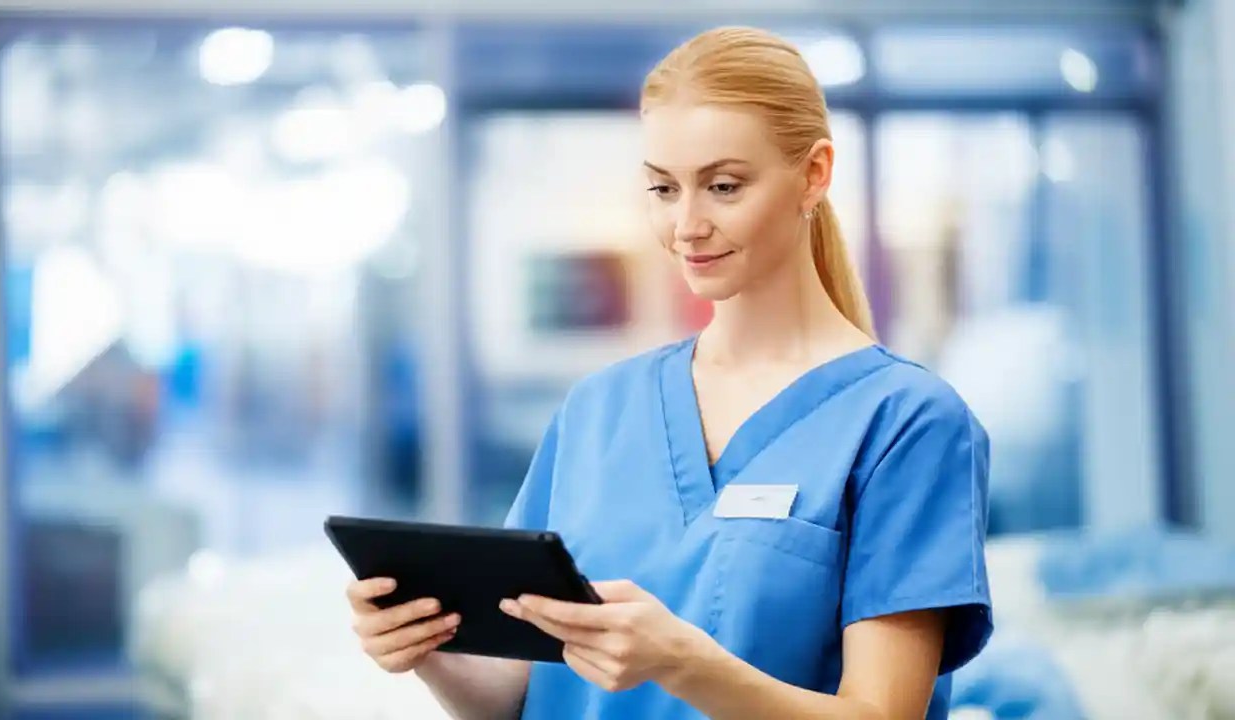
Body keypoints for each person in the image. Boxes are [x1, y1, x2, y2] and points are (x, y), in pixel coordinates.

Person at [345, 25, 992, 720]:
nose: (687, 224)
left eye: (722, 186)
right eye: (662, 188)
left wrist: (682, 663)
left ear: (815, 173)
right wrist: (431, 650)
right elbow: (524, 696)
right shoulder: (599, 409)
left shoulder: (905, 422)